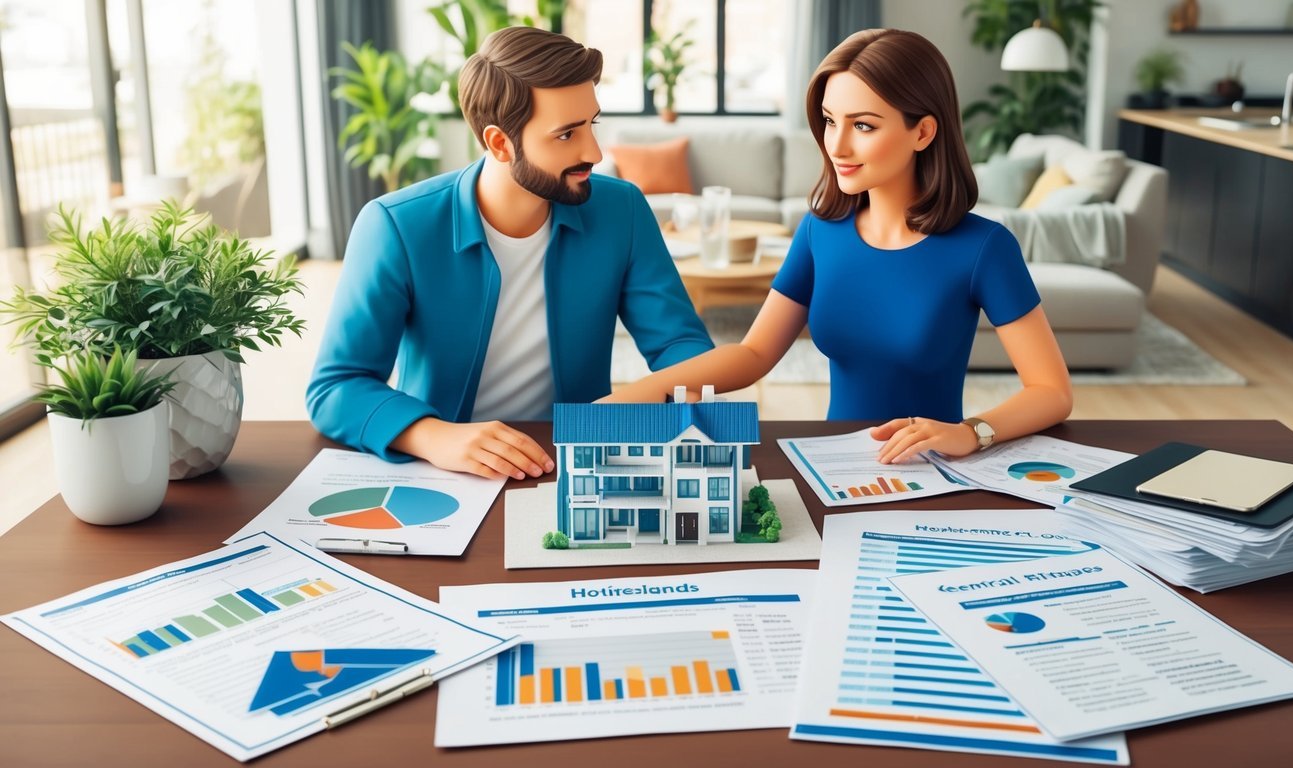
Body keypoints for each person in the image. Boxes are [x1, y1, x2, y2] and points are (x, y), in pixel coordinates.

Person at [605, 29, 1072, 463]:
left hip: (931, 470)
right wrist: (645, 389)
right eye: (830, 121)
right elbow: (753, 355)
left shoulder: (984, 248)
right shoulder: (819, 232)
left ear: (923, 132)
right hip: (832, 466)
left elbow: (1052, 391)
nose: (837, 146)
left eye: (863, 126)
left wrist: (972, 432)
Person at [307, 27, 713, 480]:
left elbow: (680, 344)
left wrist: (679, 390)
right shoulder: (396, 225)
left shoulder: (623, 211)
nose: (594, 152)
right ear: (500, 143)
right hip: (444, 471)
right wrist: (433, 436)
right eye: (566, 135)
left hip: (571, 466)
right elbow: (336, 387)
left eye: (592, 124)